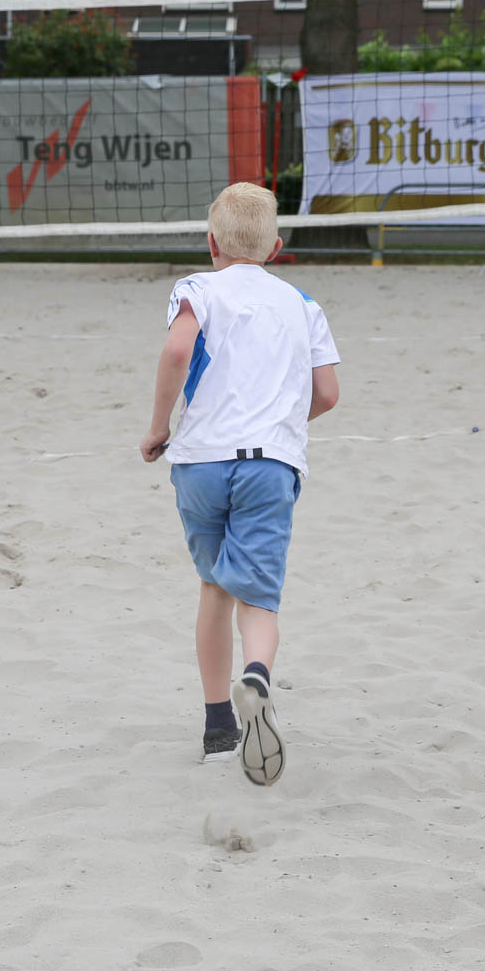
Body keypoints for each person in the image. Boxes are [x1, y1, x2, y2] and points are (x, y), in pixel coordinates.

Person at [139, 183, 340, 785]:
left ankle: (218, 727)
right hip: (268, 463)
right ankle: (256, 672)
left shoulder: (197, 288)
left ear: (211, 244)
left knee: (211, 587)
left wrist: (158, 428)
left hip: (199, 461)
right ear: (276, 247)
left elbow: (178, 351)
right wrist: (279, 424)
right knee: (258, 598)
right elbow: (327, 394)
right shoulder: (302, 304)